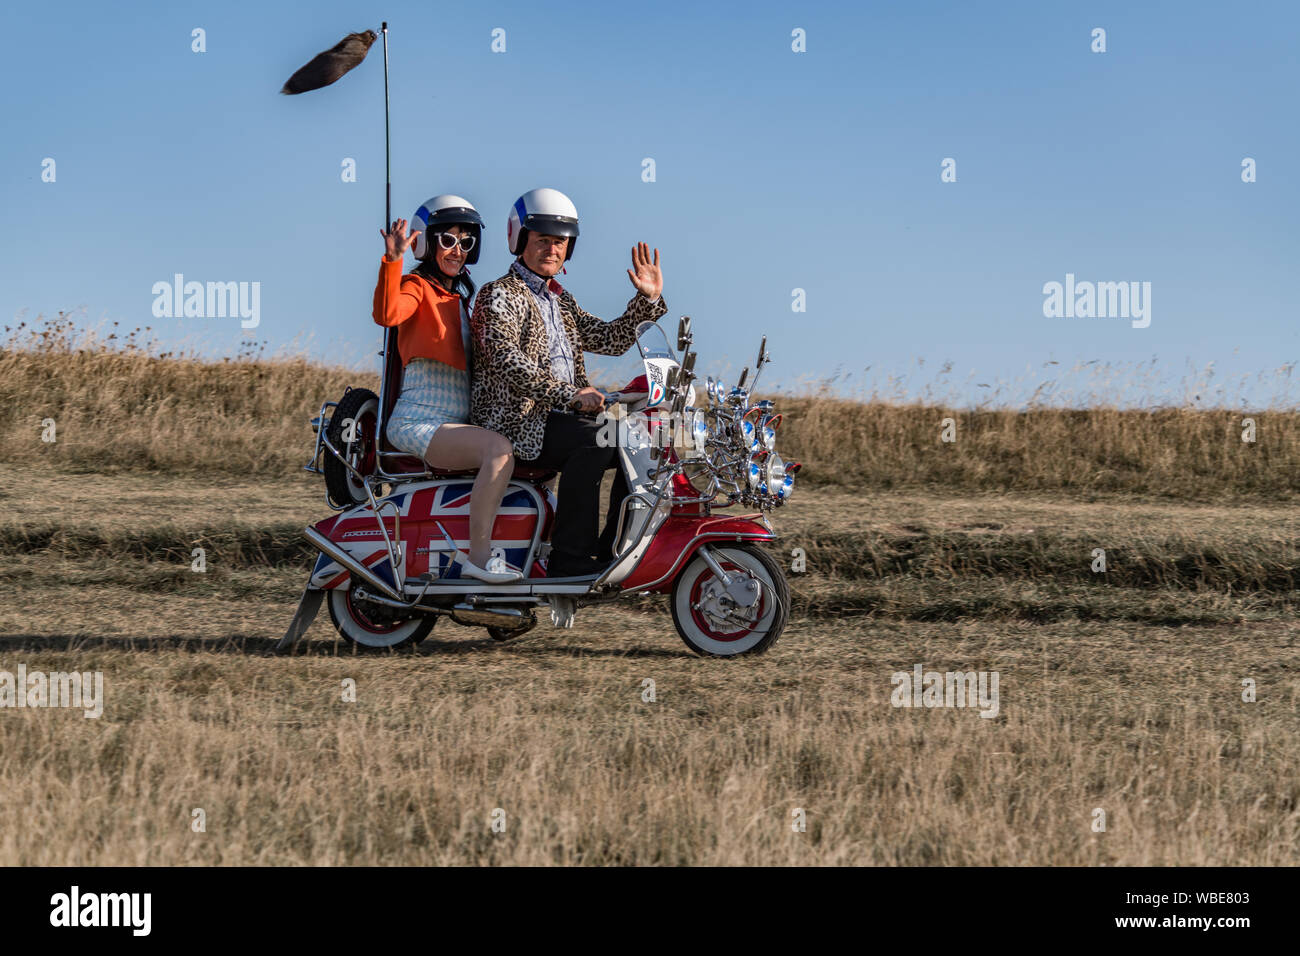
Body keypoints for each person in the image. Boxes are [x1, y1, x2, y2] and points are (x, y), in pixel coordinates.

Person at [470, 187, 666, 579]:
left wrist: (647, 300)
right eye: (543, 240)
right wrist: (570, 394)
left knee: (639, 444)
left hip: (558, 420)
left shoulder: (561, 301)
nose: (552, 250)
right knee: (597, 440)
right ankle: (569, 560)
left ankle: (612, 550)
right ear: (520, 240)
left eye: (560, 242)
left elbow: (611, 340)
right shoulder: (498, 295)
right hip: (515, 425)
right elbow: (510, 363)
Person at [373, 194, 521, 584]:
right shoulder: (416, 286)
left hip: (453, 425)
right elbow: (387, 314)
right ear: (428, 243)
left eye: (466, 242)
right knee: (498, 450)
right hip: (418, 421)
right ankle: (478, 558)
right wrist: (393, 259)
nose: (457, 250)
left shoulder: (464, 300)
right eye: (448, 240)